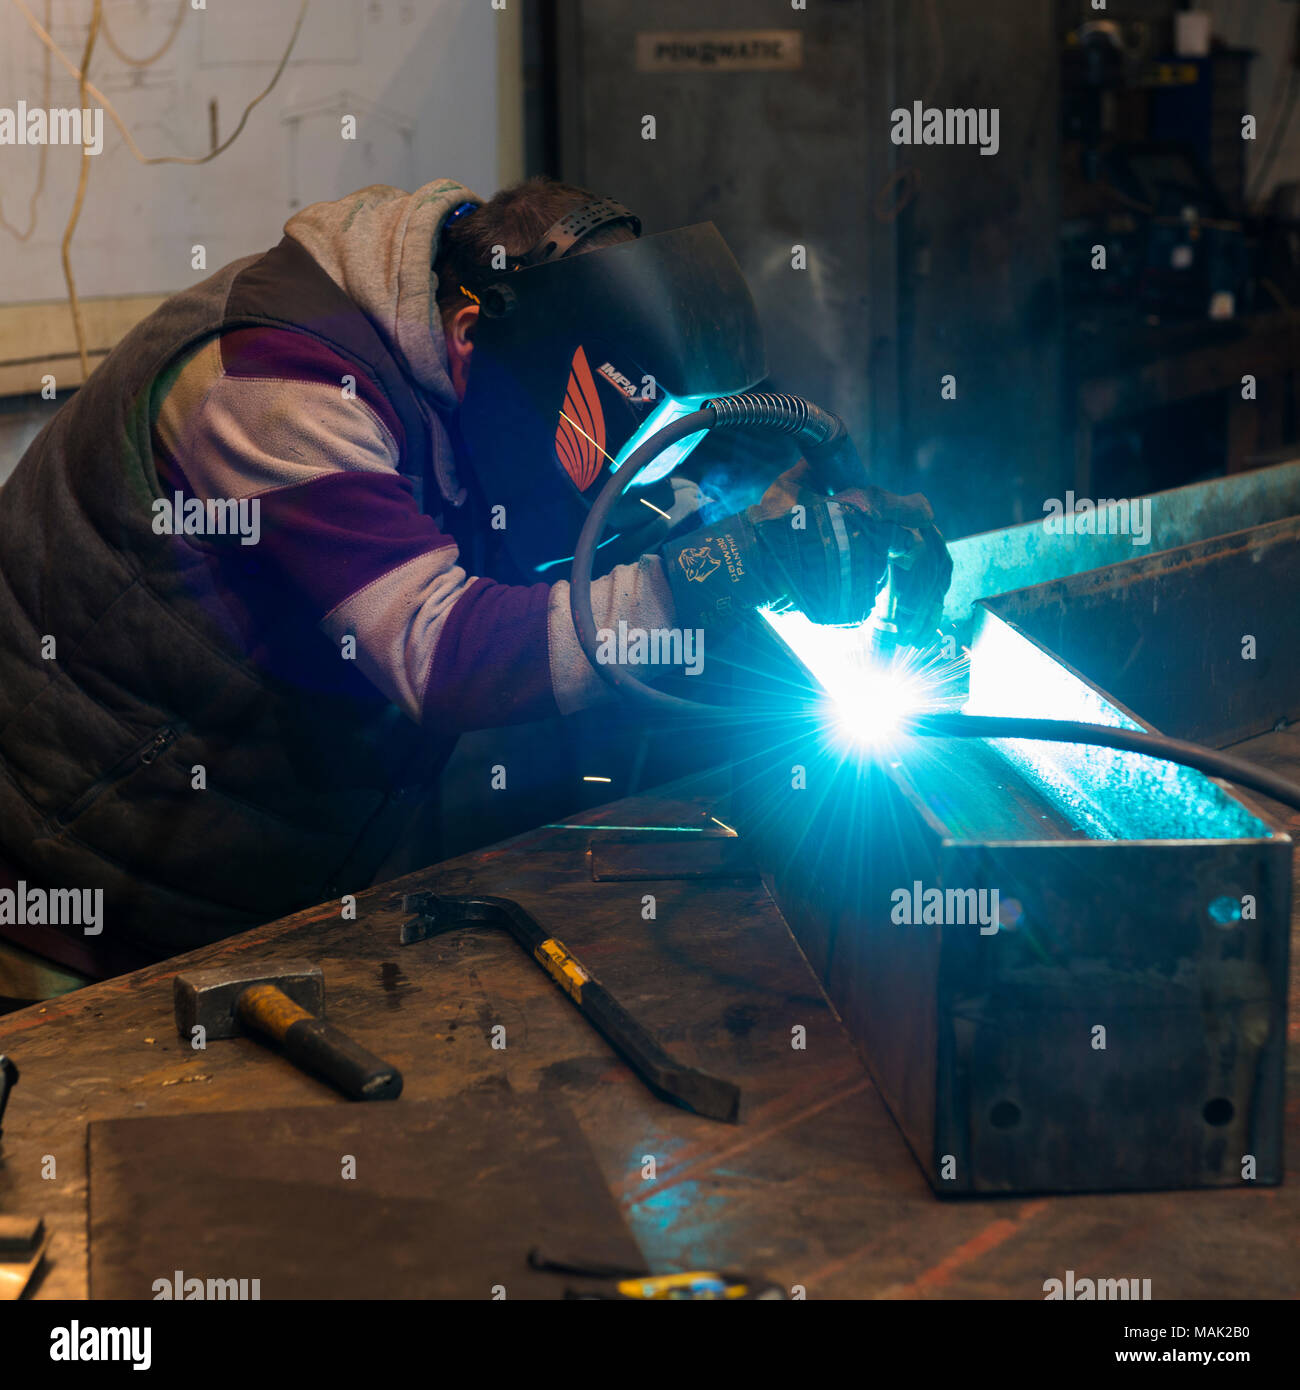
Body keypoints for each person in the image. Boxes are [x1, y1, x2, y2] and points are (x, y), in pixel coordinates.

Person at [0, 175, 948, 999]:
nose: (637, 474)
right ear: (466, 333)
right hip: (64, 889)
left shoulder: (489, 346)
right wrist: (739, 568)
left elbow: (597, 509)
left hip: (249, 880)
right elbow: (442, 653)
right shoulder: (274, 387)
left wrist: (791, 511)